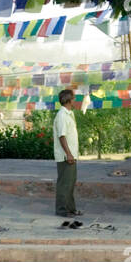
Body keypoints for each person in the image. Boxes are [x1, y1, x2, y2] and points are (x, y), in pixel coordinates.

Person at [53, 88, 82, 222]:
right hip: (65, 156)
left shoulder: (69, 114)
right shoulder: (62, 115)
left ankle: (71, 208)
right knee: (64, 183)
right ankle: (62, 210)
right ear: (69, 100)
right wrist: (69, 154)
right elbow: (62, 136)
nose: (75, 100)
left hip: (71, 155)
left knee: (70, 183)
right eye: (74, 98)